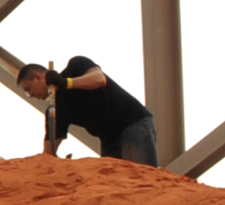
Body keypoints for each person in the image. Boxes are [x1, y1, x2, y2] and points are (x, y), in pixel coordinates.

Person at [18, 57, 158, 165]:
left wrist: (66, 83)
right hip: (108, 139)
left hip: (132, 123)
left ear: (38, 76)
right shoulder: (57, 110)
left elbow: (99, 79)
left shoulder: (76, 65)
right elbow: (48, 152)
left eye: (28, 89)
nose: (31, 95)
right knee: (115, 184)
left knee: (140, 177)